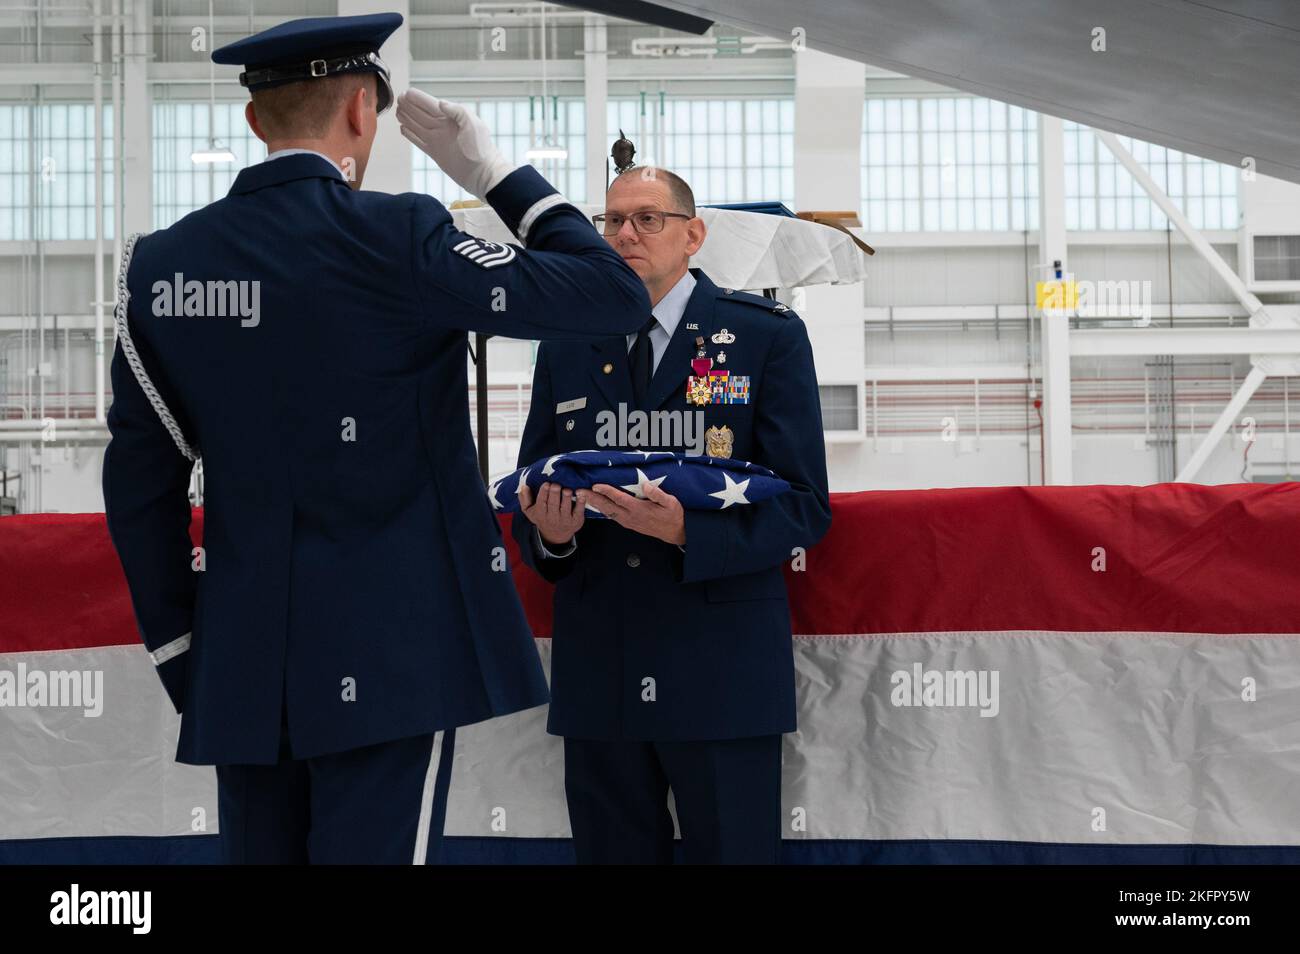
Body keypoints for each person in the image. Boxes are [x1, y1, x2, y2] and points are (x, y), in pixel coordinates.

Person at [101, 12, 650, 864]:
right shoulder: (402, 236)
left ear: (256, 121)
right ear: (363, 112)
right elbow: (613, 295)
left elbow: (140, 486)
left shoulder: (163, 266)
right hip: (394, 655)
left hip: (243, 669)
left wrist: (185, 656)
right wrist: (497, 175)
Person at [511, 165, 832, 863]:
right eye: (613, 220)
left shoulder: (764, 338)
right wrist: (553, 536)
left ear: (693, 234)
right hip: (602, 671)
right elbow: (536, 486)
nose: (625, 234)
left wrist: (690, 532)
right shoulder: (566, 346)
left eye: (647, 219)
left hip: (719, 670)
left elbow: (805, 506)